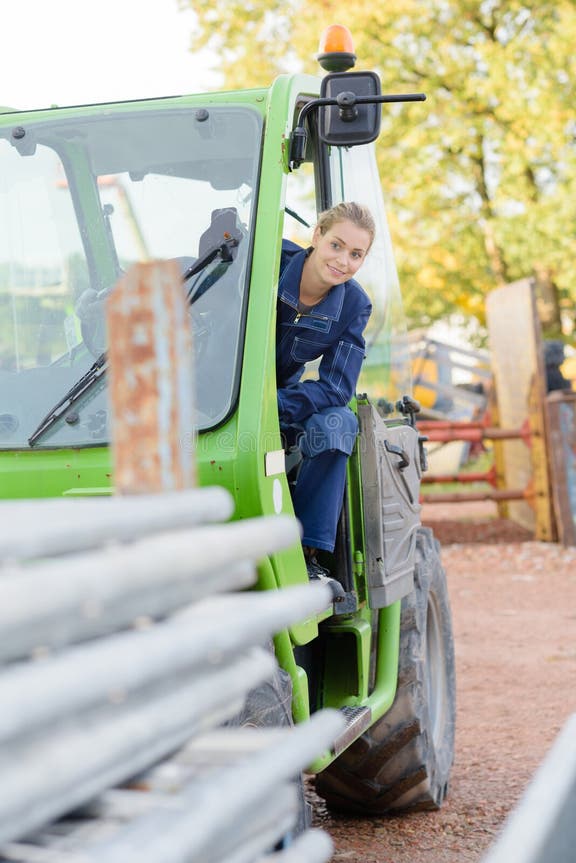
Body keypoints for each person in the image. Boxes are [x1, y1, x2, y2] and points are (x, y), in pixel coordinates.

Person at [276, 201, 375, 601]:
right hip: (226, 393)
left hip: (285, 397)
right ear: (316, 236)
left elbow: (337, 386)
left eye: (356, 255)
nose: (343, 261)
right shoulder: (263, 263)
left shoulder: (354, 304)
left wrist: (277, 406)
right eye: (336, 245)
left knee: (338, 423)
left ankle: (307, 553)